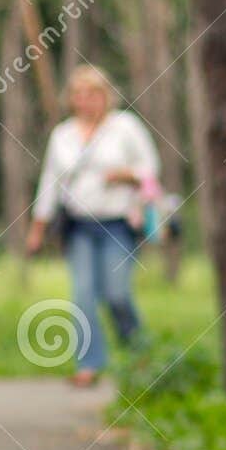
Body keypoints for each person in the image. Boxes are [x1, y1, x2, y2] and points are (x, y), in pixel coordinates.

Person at [26, 66, 160, 386]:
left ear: (106, 96)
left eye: (93, 94)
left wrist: (125, 175)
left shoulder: (125, 126)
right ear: (72, 99)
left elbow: (150, 167)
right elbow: (50, 182)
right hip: (79, 226)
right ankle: (89, 364)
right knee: (83, 295)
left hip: (117, 224)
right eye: (80, 95)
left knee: (117, 294)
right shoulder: (63, 134)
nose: (86, 101)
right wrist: (37, 227)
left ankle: (138, 355)